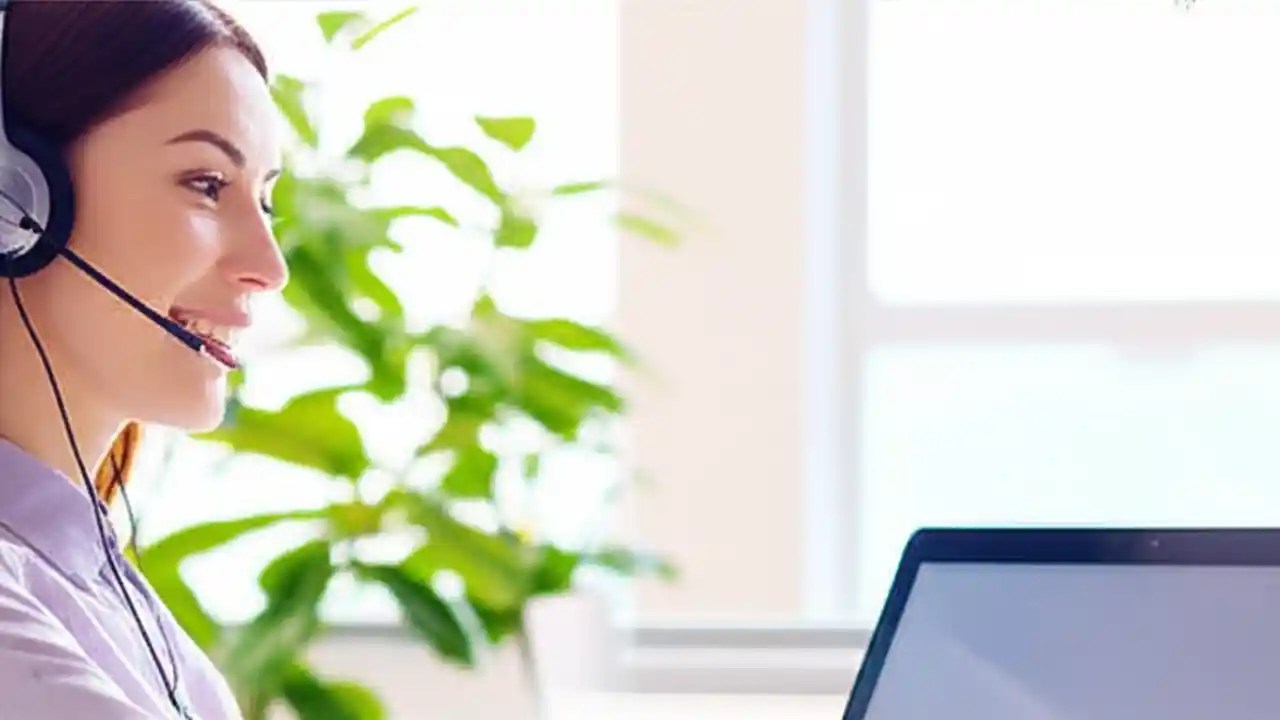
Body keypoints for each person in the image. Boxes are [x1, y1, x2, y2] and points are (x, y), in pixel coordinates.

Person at [0, 0, 286, 717]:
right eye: (207, 184)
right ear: (14, 202)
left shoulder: (107, 599)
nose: (269, 265)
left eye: (267, 201)